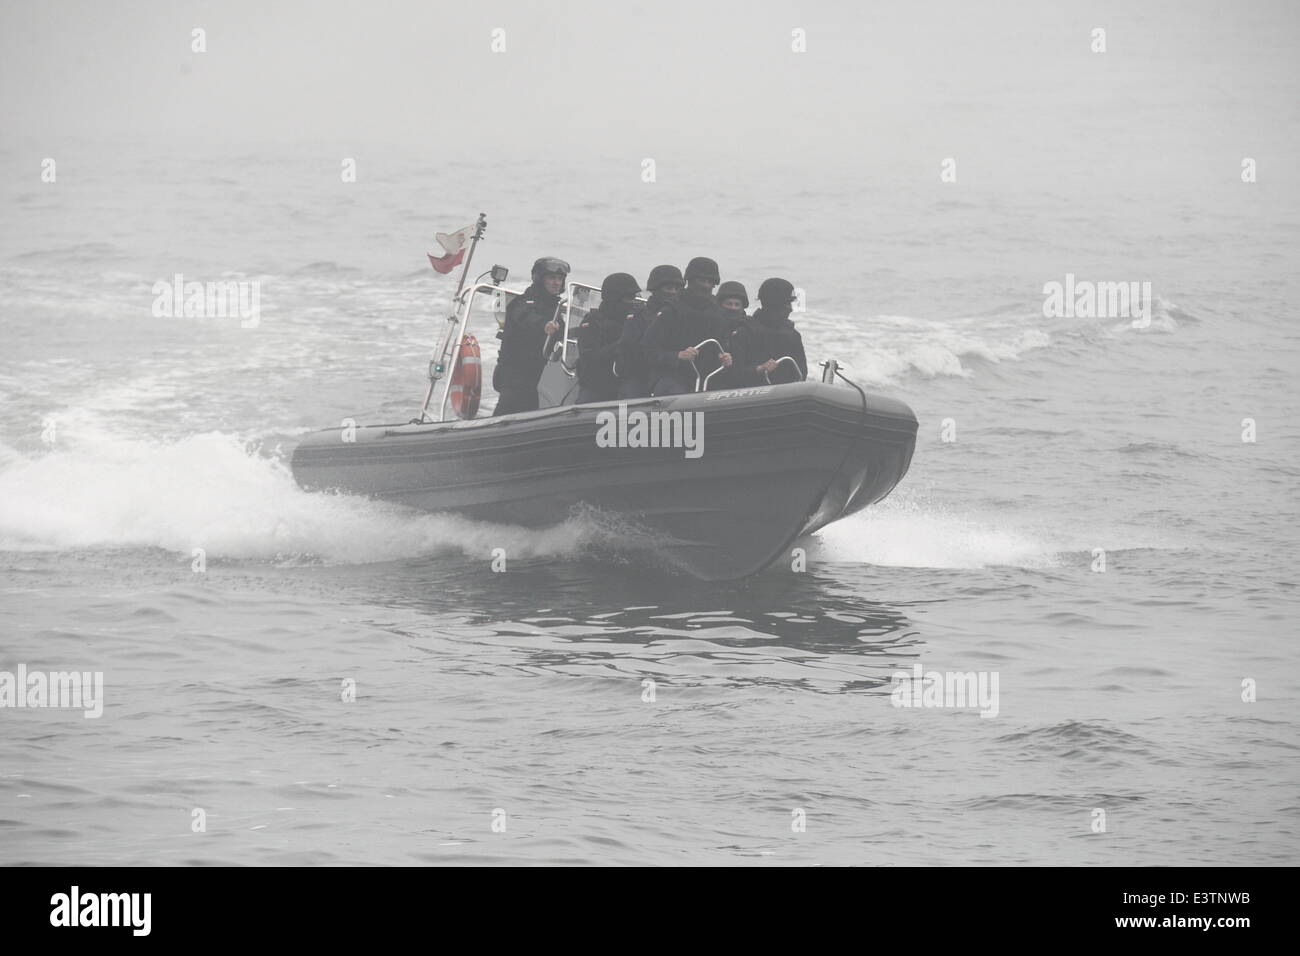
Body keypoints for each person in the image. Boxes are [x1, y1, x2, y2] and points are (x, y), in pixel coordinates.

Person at [642, 257, 733, 395]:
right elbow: (648, 350)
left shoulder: (718, 314)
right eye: (702, 281)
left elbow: (722, 348)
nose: (706, 286)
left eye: (710, 282)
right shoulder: (671, 310)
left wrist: (725, 359)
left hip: (707, 378)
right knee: (673, 390)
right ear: (690, 281)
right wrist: (677, 355)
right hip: (671, 376)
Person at [493, 256, 569, 415]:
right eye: (552, 278)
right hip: (515, 375)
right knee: (506, 413)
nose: (557, 282)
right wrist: (544, 326)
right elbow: (525, 318)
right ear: (541, 279)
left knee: (532, 412)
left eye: (560, 279)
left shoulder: (556, 307)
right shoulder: (523, 303)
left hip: (538, 376)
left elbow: (563, 334)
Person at [614, 264, 682, 399]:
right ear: (655, 289)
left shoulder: (683, 316)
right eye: (669, 288)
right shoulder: (637, 317)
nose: (673, 292)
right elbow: (629, 351)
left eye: (677, 289)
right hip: (641, 374)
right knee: (631, 396)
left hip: (673, 374)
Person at [576, 272, 642, 404]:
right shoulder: (592, 322)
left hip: (629, 380)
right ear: (615, 298)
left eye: (635, 297)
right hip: (598, 383)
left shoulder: (637, 318)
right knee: (585, 403)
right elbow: (590, 357)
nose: (634, 302)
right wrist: (621, 343)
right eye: (629, 298)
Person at [729, 277, 808, 386]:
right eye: (787, 303)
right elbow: (733, 375)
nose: (791, 309)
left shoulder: (793, 335)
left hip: (787, 397)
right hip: (750, 398)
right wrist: (759, 369)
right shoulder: (745, 333)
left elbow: (801, 374)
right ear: (775, 305)